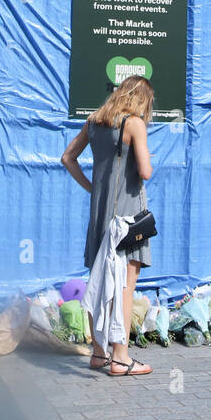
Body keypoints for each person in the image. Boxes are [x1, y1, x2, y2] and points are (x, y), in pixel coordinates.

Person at [61, 75, 154, 376]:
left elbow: (67, 158)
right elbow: (145, 171)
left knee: (99, 282)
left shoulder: (93, 122)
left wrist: (93, 188)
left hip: (100, 214)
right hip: (128, 218)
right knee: (124, 286)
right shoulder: (135, 124)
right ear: (141, 100)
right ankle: (121, 357)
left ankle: (99, 355)